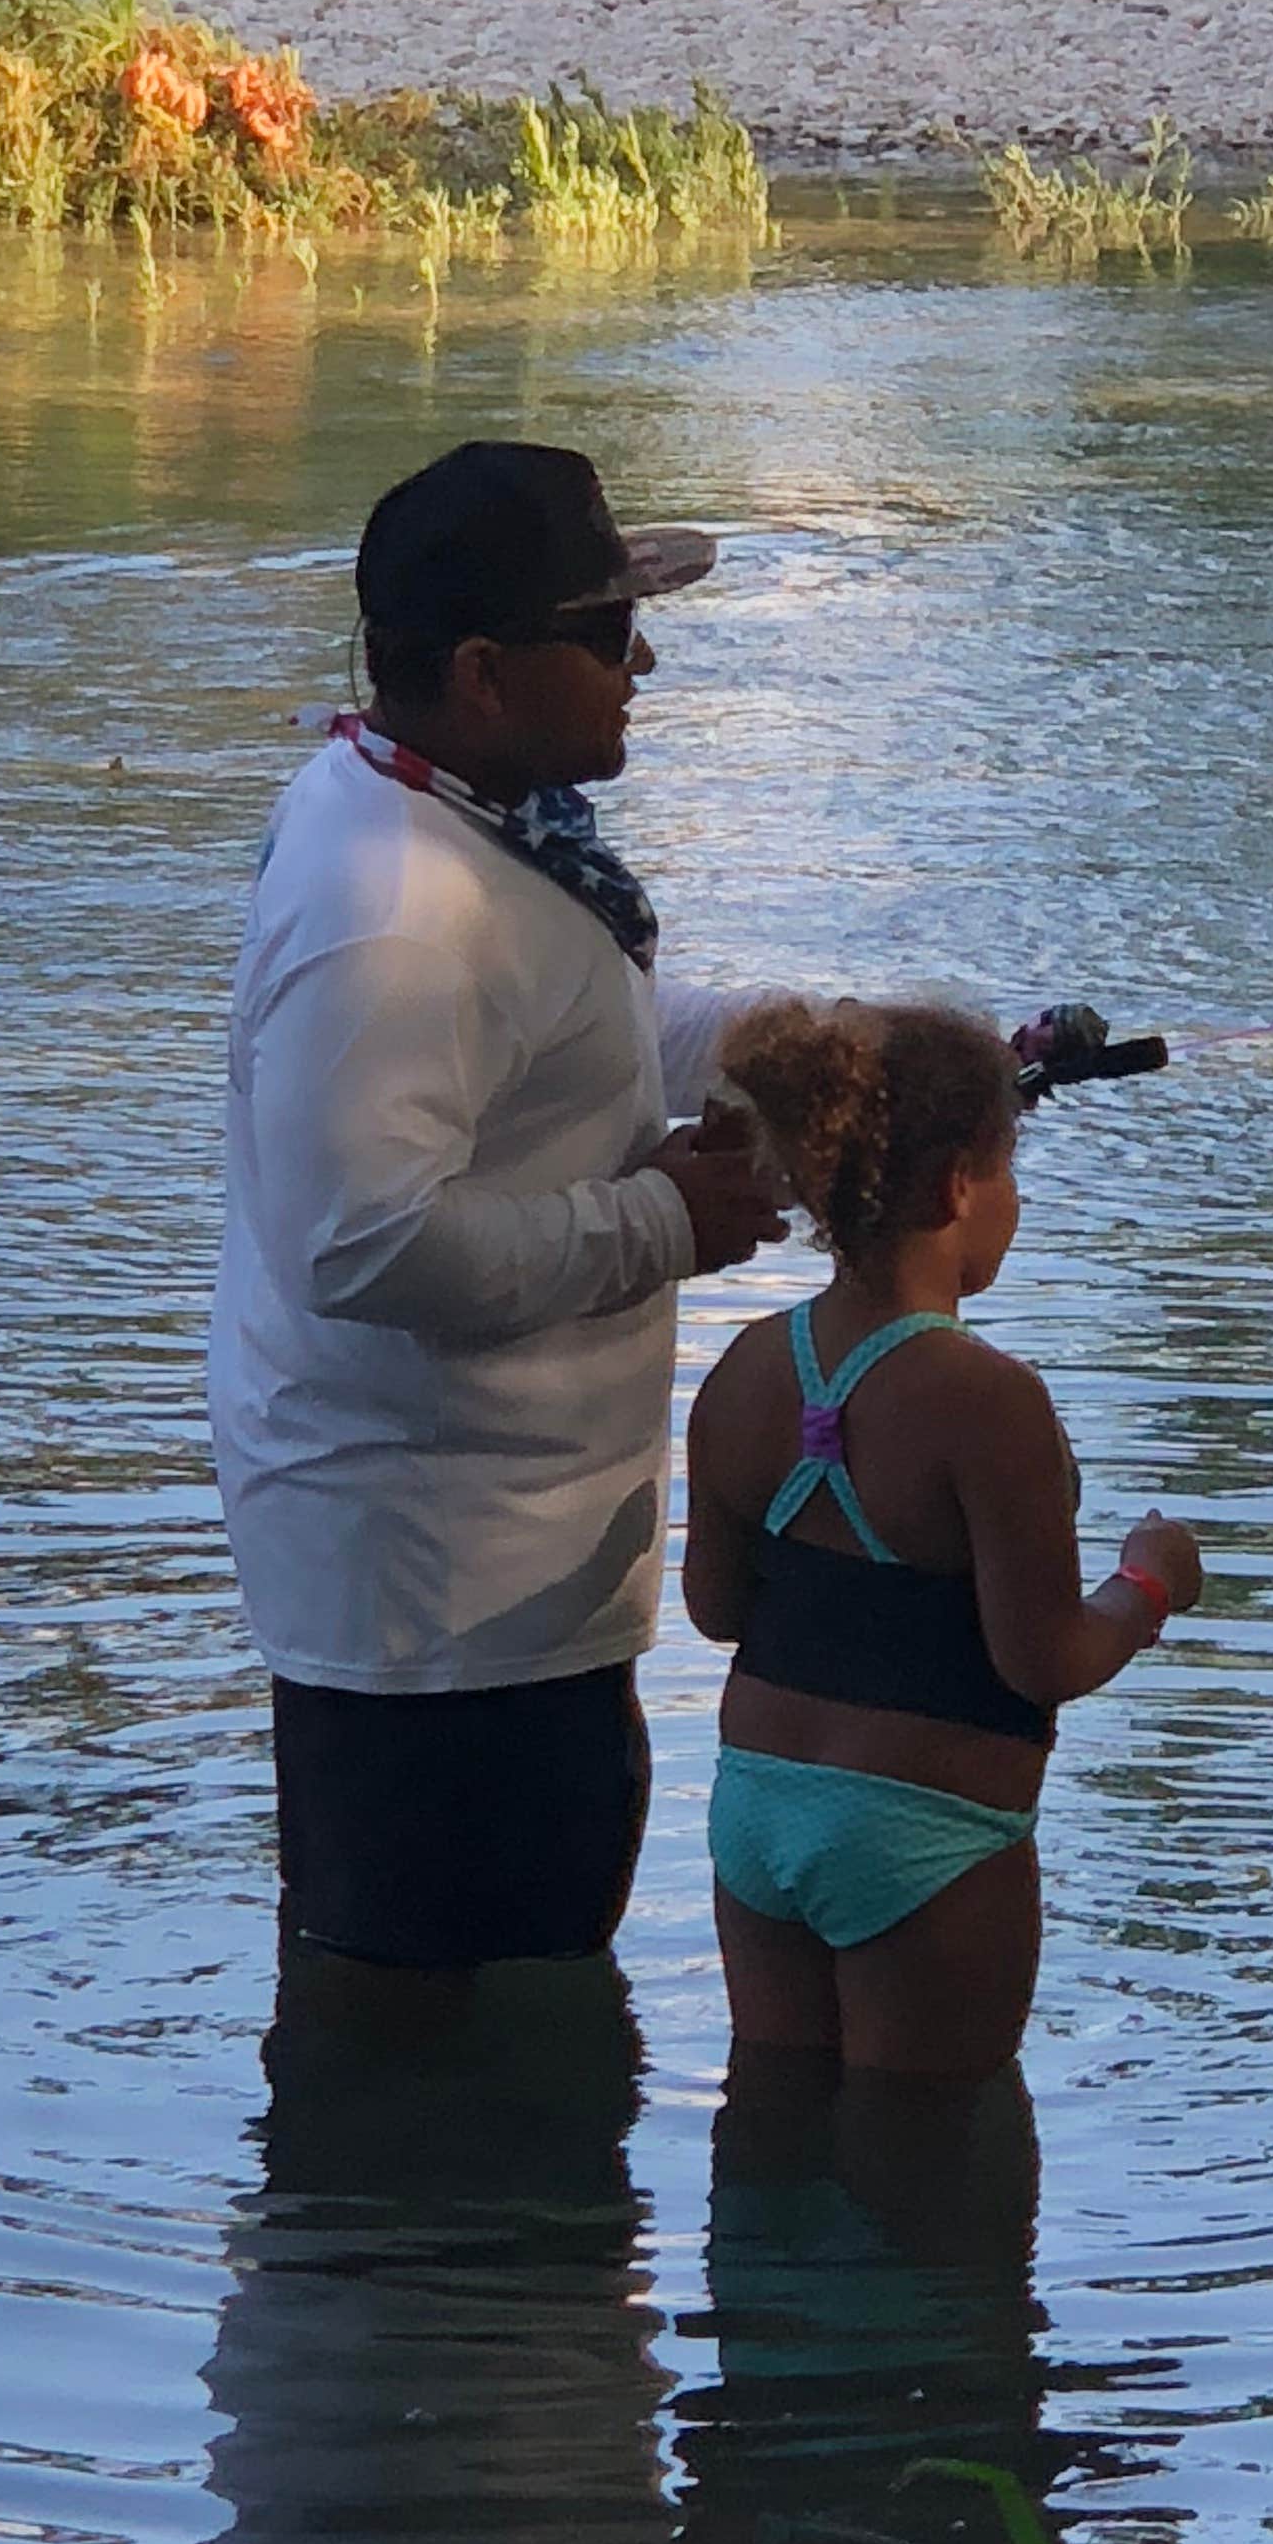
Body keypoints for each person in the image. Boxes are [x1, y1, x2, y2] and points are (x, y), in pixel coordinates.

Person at [209, 437, 782, 1981]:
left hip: (497, 1575)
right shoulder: (388, 908)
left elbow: (577, 1031)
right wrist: (668, 1222)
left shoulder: (457, 813)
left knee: (490, 2016)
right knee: (450, 2039)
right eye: (605, 636)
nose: (641, 662)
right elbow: (367, 1240)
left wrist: (801, 1048)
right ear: (480, 671)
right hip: (435, 1608)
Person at [682, 997, 1203, 2074]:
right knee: (933, 2163)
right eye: (1007, 1171)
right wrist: (1147, 1589)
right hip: (921, 1835)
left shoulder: (745, 1371)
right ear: (962, 1185)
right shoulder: (989, 1401)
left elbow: (717, 1609)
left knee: (772, 2138)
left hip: (758, 1813)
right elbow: (1042, 1659)